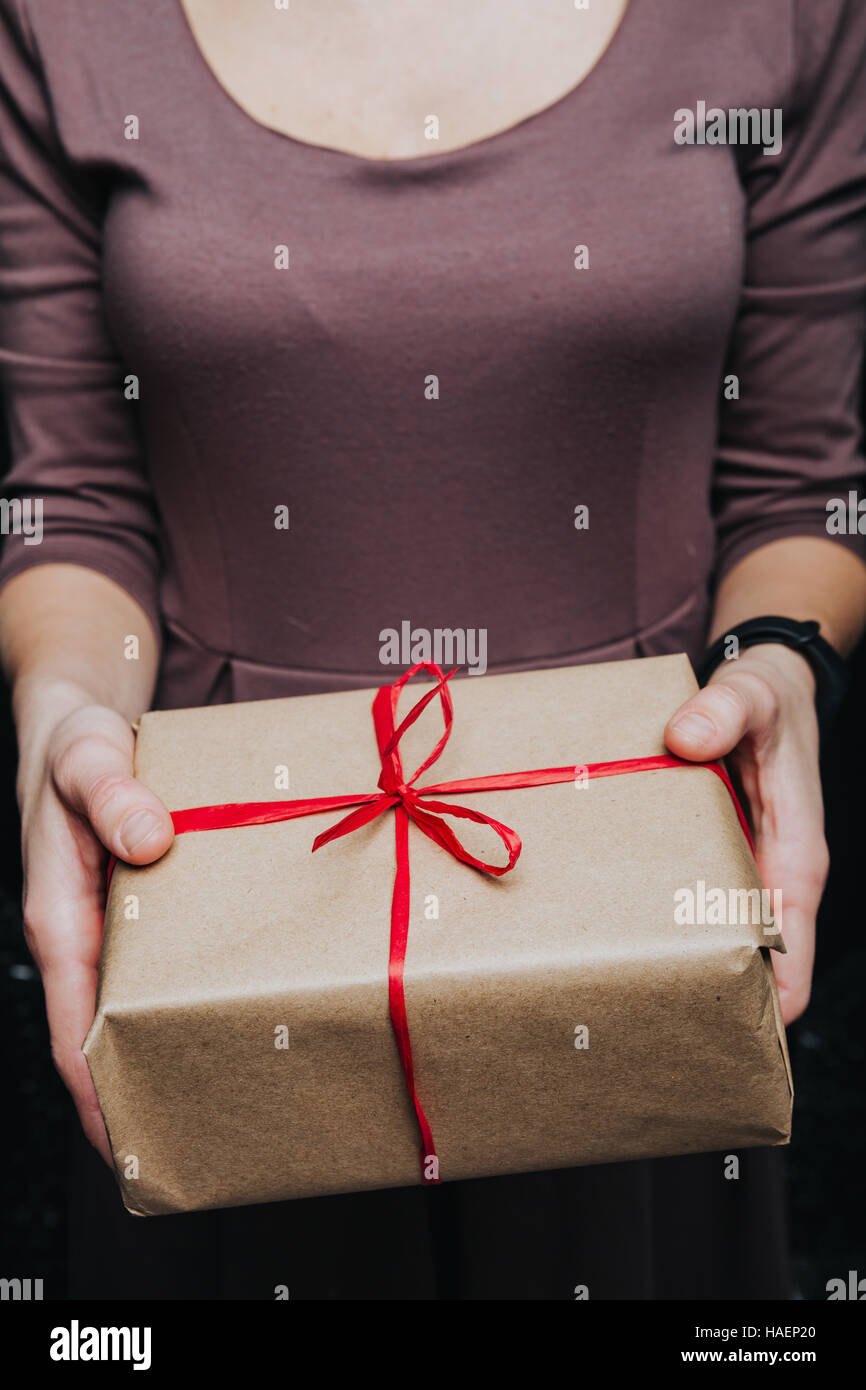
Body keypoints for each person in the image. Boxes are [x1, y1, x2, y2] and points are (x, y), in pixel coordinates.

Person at [1, 0, 865, 1300]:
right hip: (214, 902)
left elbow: (796, 484)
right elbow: (75, 501)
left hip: (636, 875)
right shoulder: (61, 23)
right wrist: (62, 722)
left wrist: (779, 665)